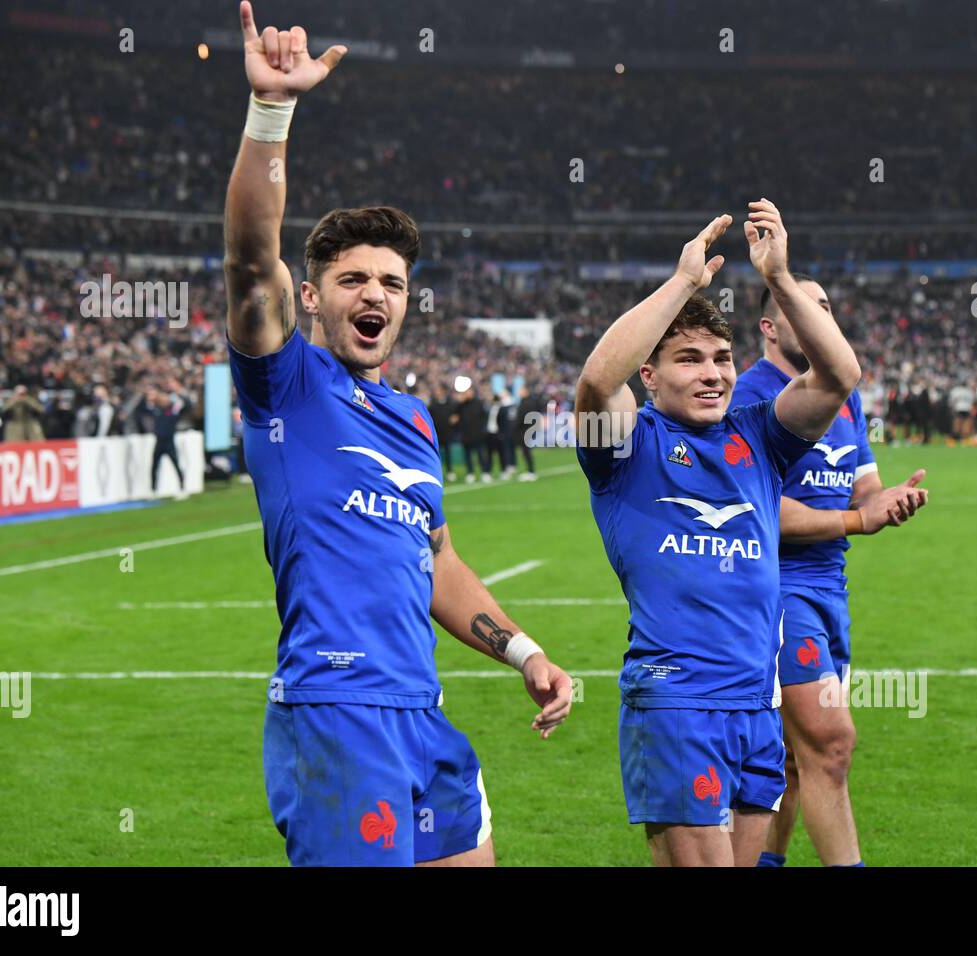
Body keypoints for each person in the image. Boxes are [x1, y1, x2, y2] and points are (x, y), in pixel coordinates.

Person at [221, 2, 572, 867]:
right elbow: (248, 252)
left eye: (391, 281)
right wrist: (272, 112)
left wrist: (524, 652)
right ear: (312, 297)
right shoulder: (287, 381)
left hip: (421, 710)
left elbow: (437, 559)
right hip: (337, 712)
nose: (374, 293)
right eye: (351, 279)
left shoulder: (414, 423)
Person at [575, 201, 860, 867]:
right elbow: (595, 379)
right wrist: (684, 283)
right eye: (689, 359)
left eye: (723, 358)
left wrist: (782, 278)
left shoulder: (759, 435)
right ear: (650, 375)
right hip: (678, 700)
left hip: (755, 702)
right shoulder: (625, 444)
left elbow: (840, 377)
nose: (713, 373)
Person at [732, 275, 929, 867]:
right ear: (770, 326)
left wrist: (883, 499)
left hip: (828, 589)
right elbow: (757, 514)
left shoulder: (846, 396)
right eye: (802, 306)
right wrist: (855, 523)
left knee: (797, 756)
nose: (822, 316)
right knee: (831, 744)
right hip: (777, 591)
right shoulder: (749, 397)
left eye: (825, 306)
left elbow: (858, 481)